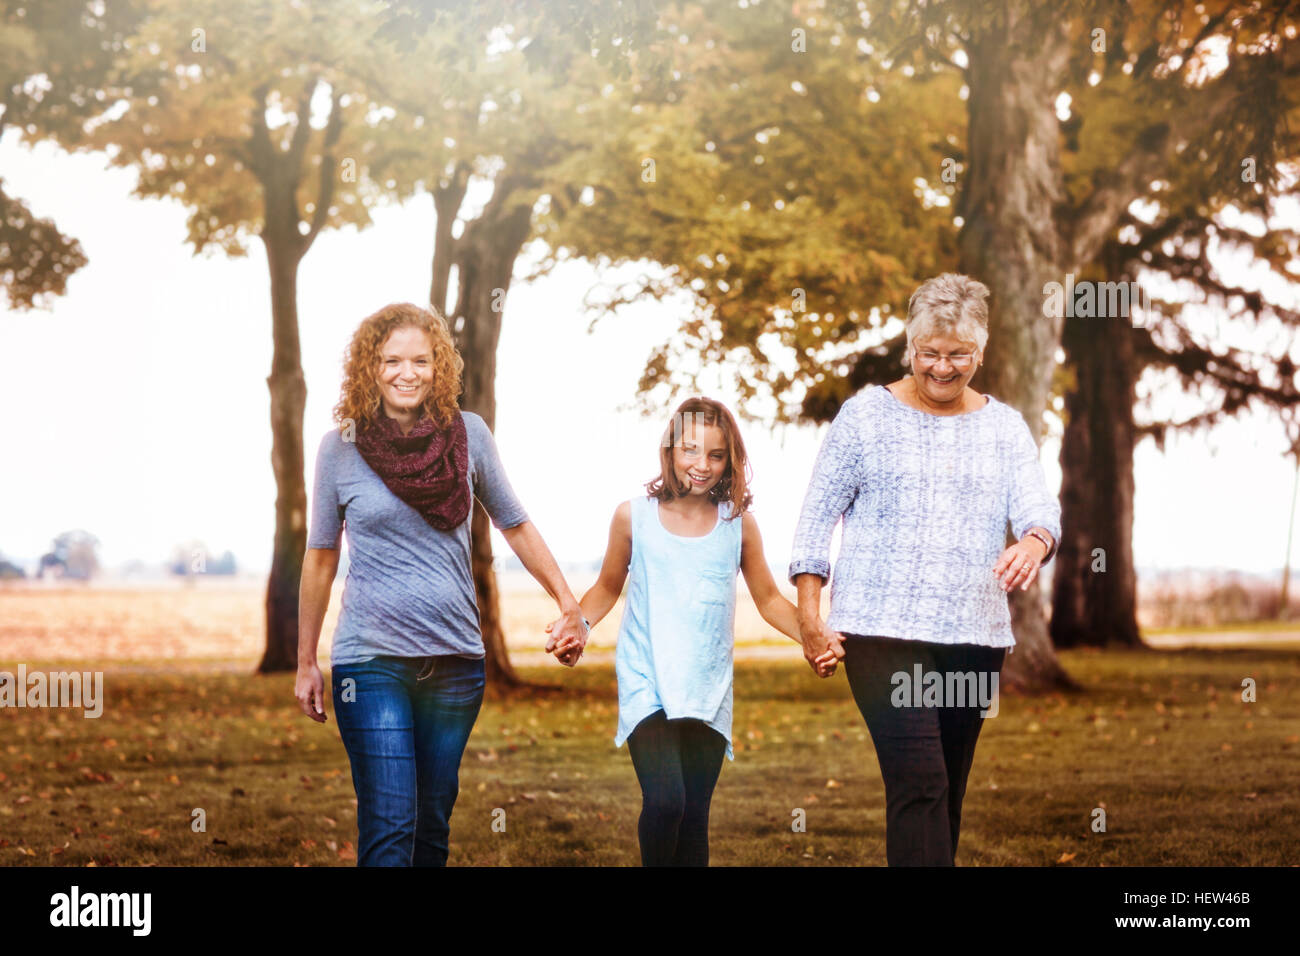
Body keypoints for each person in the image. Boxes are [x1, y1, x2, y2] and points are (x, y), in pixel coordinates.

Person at [295, 302, 586, 866]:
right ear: (369, 368)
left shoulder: (468, 435)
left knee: (431, 825)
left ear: (439, 367)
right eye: (392, 360)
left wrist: (568, 601)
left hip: (456, 662)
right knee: (390, 824)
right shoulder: (341, 446)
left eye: (421, 361)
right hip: (370, 661)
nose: (407, 372)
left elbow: (515, 523)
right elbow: (321, 555)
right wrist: (306, 660)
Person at [789, 273, 1062, 866]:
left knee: (947, 794)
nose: (942, 367)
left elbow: (1039, 508)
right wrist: (811, 618)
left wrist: (1035, 543)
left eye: (958, 355)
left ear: (980, 352)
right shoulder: (865, 417)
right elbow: (815, 521)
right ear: (909, 348)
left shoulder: (1005, 427)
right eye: (929, 353)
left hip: (973, 636)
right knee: (920, 785)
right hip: (881, 632)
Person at [547, 396, 837, 866]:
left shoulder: (738, 525)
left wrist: (813, 635)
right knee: (666, 803)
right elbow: (605, 589)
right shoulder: (632, 516)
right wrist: (575, 627)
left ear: (730, 461)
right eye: (690, 450)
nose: (702, 465)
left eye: (716, 455)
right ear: (670, 450)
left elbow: (767, 600)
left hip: (707, 689)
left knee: (694, 817)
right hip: (647, 683)